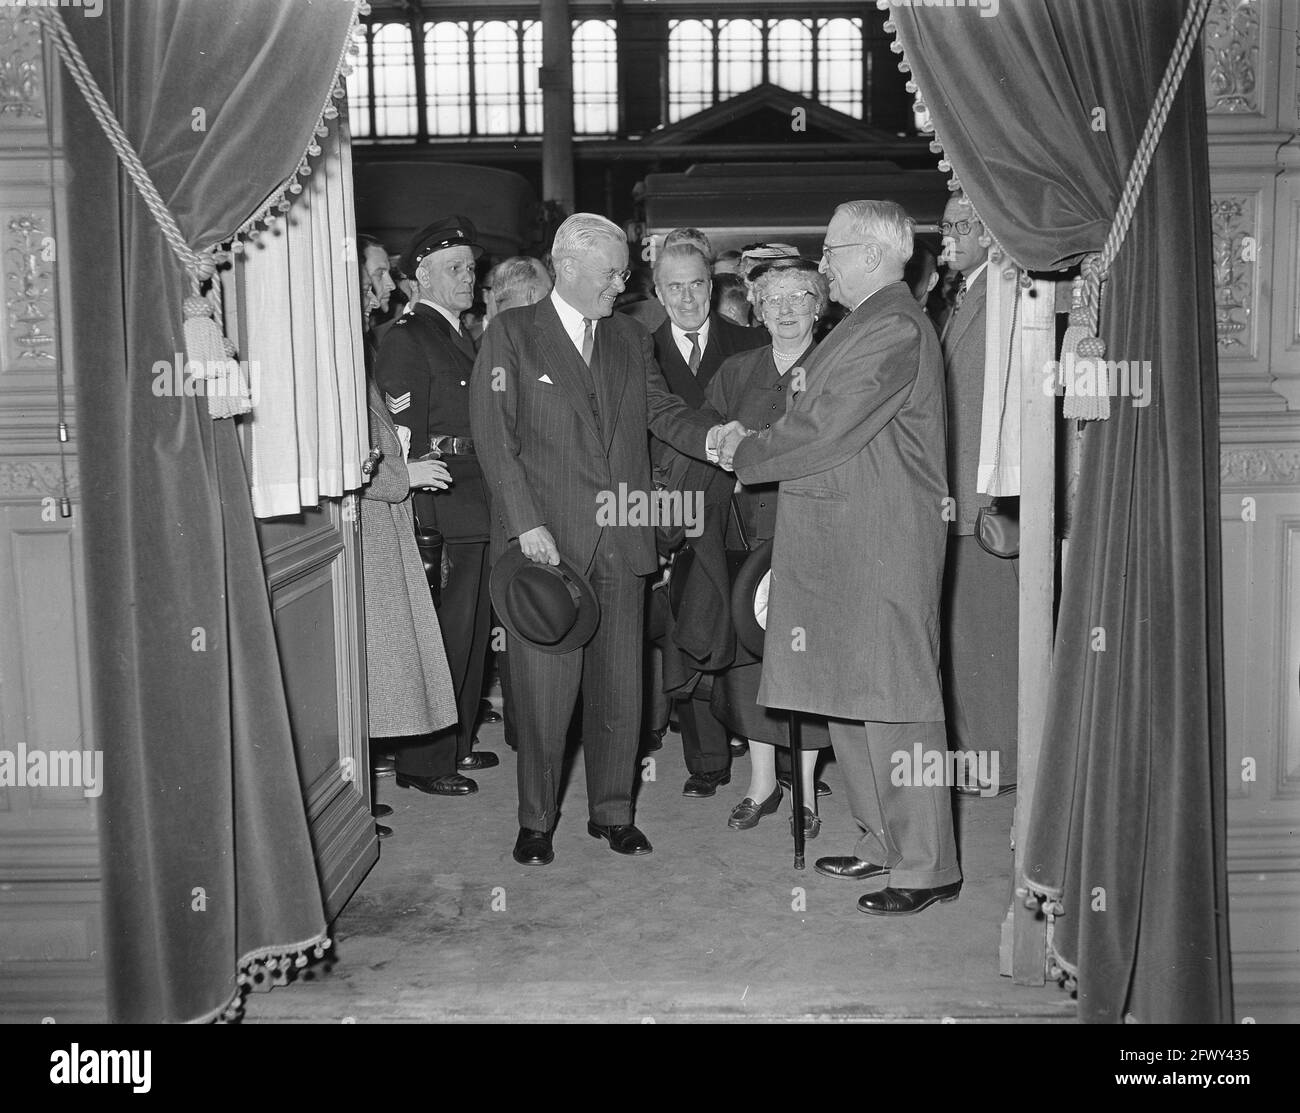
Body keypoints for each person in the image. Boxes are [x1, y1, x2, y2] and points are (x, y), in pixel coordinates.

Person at [470, 212, 739, 866]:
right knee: (543, 697)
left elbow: (662, 412)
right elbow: (493, 436)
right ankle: (536, 819)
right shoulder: (511, 335)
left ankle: (613, 811)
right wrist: (524, 520)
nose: (623, 283)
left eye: (623, 271)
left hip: (623, 540)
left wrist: (715, 436)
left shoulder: (628, 338)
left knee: (621, 690)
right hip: (547, 548)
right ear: (567, 265)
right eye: (612, 271)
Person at [717, 200, 961, 917]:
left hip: (881, 543)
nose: (823, 263)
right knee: (850, 697)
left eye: (831, 250)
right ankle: (882, 840)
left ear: (873, 253)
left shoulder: (892, 326)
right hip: (843, 539)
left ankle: (927, 864)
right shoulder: (865, 323)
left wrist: (747, 451)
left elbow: (825, 428)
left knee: (897, 703)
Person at [705, 257, 833, 837]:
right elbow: (705, 442)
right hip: (744, 534)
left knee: (805, 657)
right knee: (750, 656)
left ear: (818, 304)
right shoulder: (737, 371)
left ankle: (804, 786)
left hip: (809, 534)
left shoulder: (835, 364)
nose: (785, 309)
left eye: (799, 296)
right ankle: (761, 783)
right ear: (756, 308)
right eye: (772, 298)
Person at [373, 216, 497, 797]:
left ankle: (458, 741)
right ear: (418, 278)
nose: (468, 276)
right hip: (440, 502)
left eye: (471, 268)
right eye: (454, 268)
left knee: (470, 634)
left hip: (473, 498)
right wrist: (421, 508)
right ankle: (425, 762)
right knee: (445, 635)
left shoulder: (457, 335)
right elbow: (403, 434)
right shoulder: (407, 337)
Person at [650, 243, 766, 800]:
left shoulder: (751, 343)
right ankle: (707, 762)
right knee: (689, 627)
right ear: (657, 292)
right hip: (677, 511)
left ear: (713, 286)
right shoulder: (640, 351)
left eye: (697, 284)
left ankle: (782, 765)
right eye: (674, 287)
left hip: (745, 505)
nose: (687, 297)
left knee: (751, 624)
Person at [938, 192, 1017, 797]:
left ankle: (996, 765)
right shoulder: (969, 294)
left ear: (992, 233)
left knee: (984, 642)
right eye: (945, 224)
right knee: (970, 643)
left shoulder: (1003, 297)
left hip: (980, 502)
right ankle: (982, 758)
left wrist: (995, 497)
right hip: (963, 498)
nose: (948, 235)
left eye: (961, 225)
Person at [358, 379, 460, 835]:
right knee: (360, 670)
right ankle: (348, 803)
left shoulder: (354, 358)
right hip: (362, 533)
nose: (376, 302)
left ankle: (352, 798)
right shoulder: (331, 356)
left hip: (378, 529)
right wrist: (405, 476)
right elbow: (336, 461)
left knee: (369, 671)